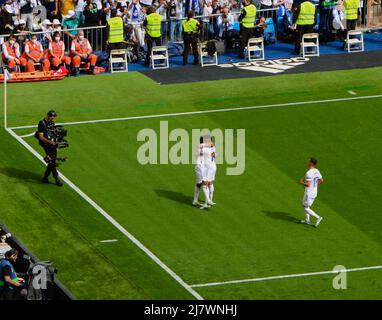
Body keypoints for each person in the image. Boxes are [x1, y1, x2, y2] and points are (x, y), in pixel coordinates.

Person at [35, 110, 63, 186]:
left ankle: (45, 177)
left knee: (52, 162)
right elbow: (41, 137)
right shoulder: (42, 124)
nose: (52, 118)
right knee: (52, 161)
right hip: (46, 145)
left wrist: (56, 141)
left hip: (52, 144)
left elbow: (52, 133)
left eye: (54, 117)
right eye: (51, 117)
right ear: (48, 116)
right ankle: (56, 178)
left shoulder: (52, 122)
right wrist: (50, 142)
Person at [300, 157, 323, 227]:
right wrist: (315, 186)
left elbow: (308, 184)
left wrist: (301, 182)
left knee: (306, 207)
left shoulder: (309, 173)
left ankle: (318, 217)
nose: (307, 162)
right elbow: (321, 180)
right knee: (305, 205)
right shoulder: (316, 170)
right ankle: (307, 220)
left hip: (309, 192)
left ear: (311, 163)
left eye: (308, 161)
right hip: (314, 191)